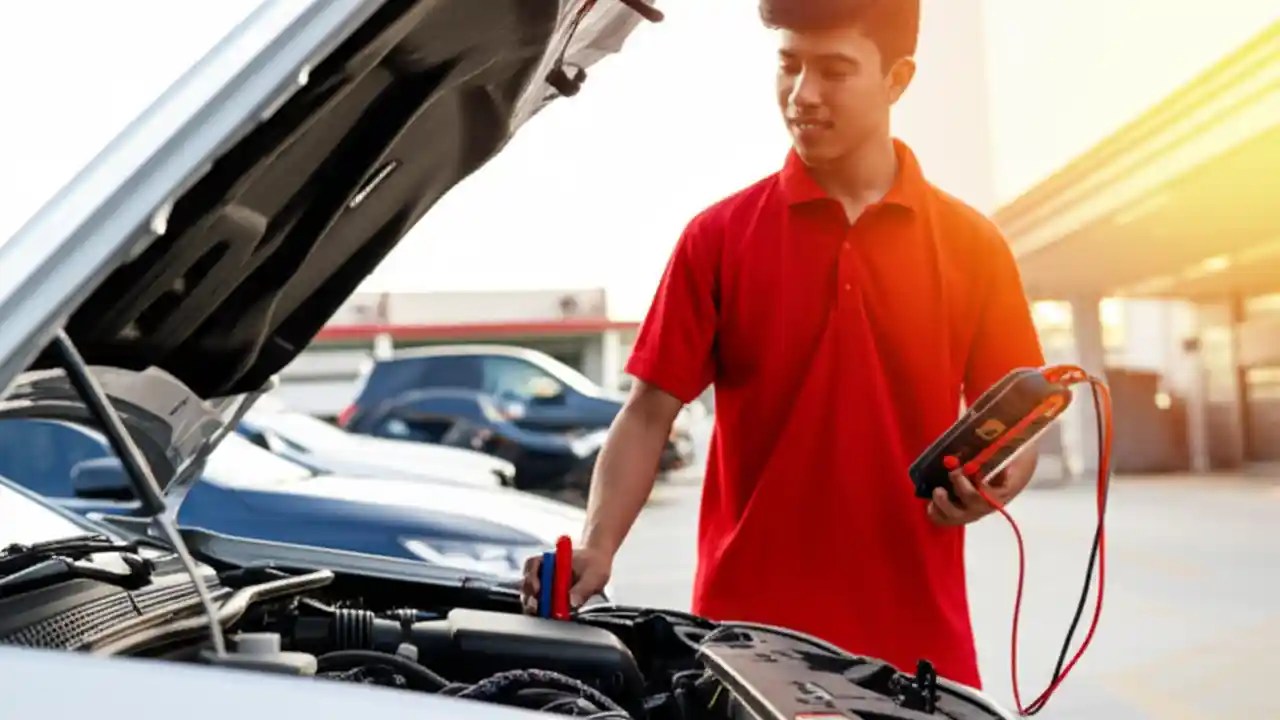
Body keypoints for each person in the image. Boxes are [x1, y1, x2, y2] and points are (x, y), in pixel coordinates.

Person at [521, 0, 1045, 689]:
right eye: (789, 65)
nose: (803, 96)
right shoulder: (717, 238)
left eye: (834, 70)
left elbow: (1019, 422)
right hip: (746, 645)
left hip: (920, 649)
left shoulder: (974, 246)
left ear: (898, 79)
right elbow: (648, 412)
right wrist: (597, 542)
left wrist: (998, 477)